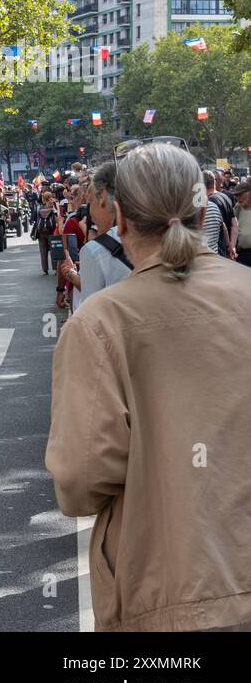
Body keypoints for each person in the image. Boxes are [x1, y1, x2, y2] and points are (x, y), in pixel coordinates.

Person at [47, 143, 251, 631]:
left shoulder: (100, 323)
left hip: (165, 591)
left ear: (119, 217)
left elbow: (79, 482)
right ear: (204, 209)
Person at [61, 161, 132, 311]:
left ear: (103, 197)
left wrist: (72, 275)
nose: (89, 213)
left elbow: (90, 317)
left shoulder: (95, 251)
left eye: (90, 203)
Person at [33, 189, 58, 274]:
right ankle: (55, 269)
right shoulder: (53, 206)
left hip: (41, 231)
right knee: (53, 250)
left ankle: (45, 270)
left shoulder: (39, 207)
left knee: (43, 251)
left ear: (43, 198)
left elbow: (34, 218)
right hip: (52, 231)